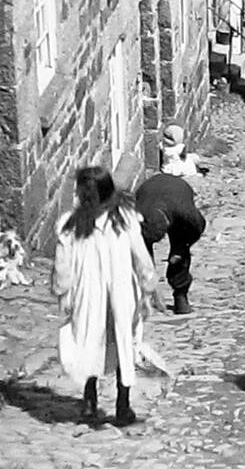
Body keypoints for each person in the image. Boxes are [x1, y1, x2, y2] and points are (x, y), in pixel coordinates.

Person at [51, 165, 163, 427]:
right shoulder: (124, 219)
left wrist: (62, 292)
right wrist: (148, 287)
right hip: (122, 292)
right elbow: (141, 257)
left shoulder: (70, 225)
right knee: (125, 343)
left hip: (87, 293)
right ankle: (123, 405)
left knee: (90, 340)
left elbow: (63, 267)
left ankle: (89, 401)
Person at [135, 169, 206, 316]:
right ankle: (146, 295)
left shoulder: (185, 213)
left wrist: (179, 249)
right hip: (149, 191)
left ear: (167, 223)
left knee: (179, 257)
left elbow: (197, 228)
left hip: (177, 189)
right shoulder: (137, 214)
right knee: (142, 257)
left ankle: (180, 294)